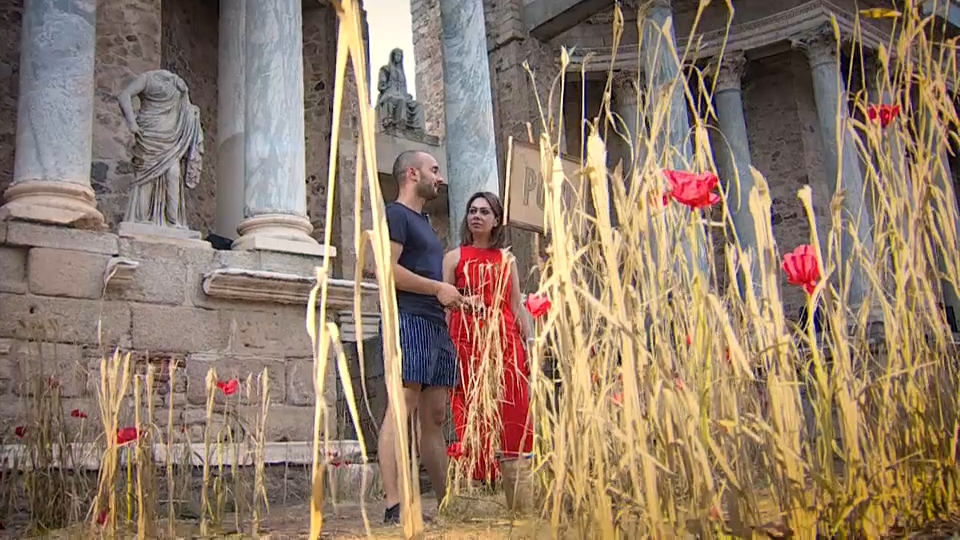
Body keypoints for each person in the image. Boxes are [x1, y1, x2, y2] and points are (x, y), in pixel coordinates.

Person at [377, 150, 467, 525]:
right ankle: (394, 505)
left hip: (434, 323)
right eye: (434, 170)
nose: (440, 178)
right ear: (413, 174)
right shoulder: (396, 214)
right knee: (403, 403)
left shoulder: (424, 223)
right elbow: (386, 271)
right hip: (408, 318)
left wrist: (456, 298)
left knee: (435, 415)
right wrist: (436, 289)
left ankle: (447, 503)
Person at [442, 191, 535, 483]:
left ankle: (516, 471)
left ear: (496, 220)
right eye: (472, 211)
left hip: (504, 339)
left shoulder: (507, 259)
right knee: (471, 403)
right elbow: (446, 304)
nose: (476, 216)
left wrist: (529, 342)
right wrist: (445, 345)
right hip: (466, 340)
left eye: (484, 212)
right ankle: (481, 472)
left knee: (512, 401)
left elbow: (516, 304)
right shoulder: (453, 258)